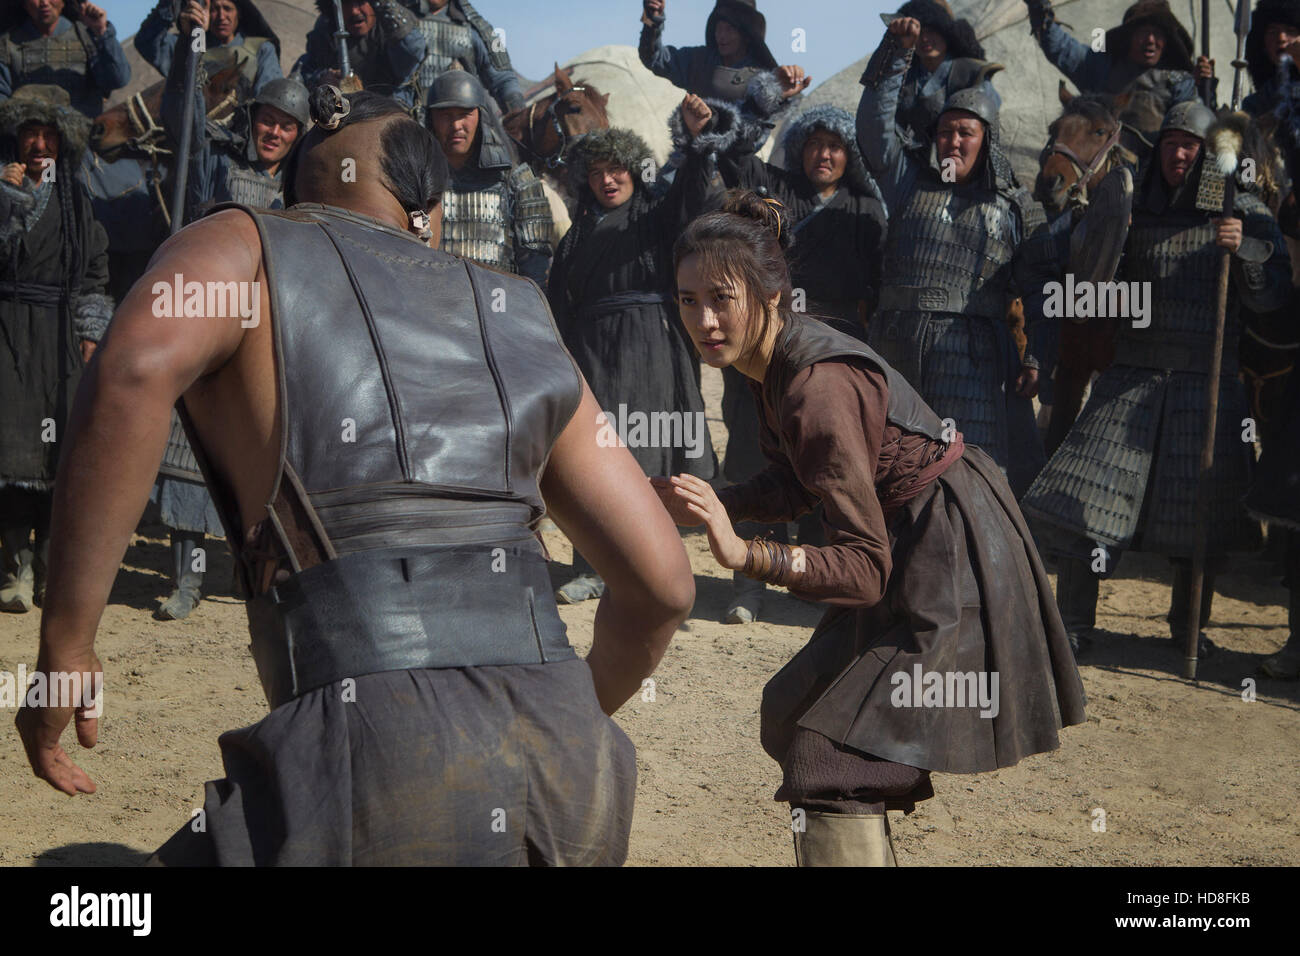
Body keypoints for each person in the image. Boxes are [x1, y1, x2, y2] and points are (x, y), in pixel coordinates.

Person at [14, 86, 694, 865]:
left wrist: (67, 646)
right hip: (576, 780)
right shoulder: (518, 307)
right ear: (427, 203)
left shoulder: (243, 243)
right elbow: (665, 586)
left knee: (78, 892)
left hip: (367, 761)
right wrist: (563, 712)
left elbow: (132, 369)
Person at [653, 190, 1086, 866]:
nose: (703, 319)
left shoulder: (815, 384)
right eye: (687, 300)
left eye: (720, 298)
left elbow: (861, 570)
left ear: (770, 296)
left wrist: (744, 554)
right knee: (792, 709)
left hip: (952, 551)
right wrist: (716, 499)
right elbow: (803, 482)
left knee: (828, 750)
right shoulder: (768, 364)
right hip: (906, 536)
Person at [1021, 102, 1292, 659]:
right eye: (1170, 142)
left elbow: (1275, 302)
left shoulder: (1242, 214)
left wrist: (1244, 253)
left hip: (1206, 380)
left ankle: (1187, 628)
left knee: (1200, 516)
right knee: (1083, 498)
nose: (1179, 153)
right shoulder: (1127, 208)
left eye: (1190, 145)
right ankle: (1073, 621)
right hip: (1131, 375)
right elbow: (1084, 277)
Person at [674, 96, 889, 623]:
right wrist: (721, 504)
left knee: (830, 473)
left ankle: (816, 581)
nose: (823, 154)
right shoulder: (780, 195)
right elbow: (740, 161)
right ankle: (750, 586)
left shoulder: (865, 209)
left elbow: (866, 564)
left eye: (835, 145)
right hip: (765, 343)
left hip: (820, 341)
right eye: (813, 142)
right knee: (753, 455)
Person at [857, 16, 1058, 498]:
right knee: (889, 462)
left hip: (975, 357)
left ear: (986, 139)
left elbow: (1043, 287)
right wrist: (896, 50)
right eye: (945, 132)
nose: (952, 141)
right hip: (897, 344)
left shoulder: (1016, 206)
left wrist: (1036, 355)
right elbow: (872, 127)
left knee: (967, 469)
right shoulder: (907, 183)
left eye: (965, 132)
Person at [547, 107, 717, 605]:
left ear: (634, 170)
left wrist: (691, 141)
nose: (606, 179)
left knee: (648, 454)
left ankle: (654, 565)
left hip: (651, 350)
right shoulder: (578, 232)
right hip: (592, 353)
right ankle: (593, 567)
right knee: (593, 460)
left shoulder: (657, 217)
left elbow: (690, 195)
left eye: (616, 169)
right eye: (596, 172)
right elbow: (560, 298)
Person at [0, 84, 111, 613]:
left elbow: (93, 272)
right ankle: (15, 567)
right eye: (29, 133)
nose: (38, 143)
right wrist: (11, 199)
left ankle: (48, 566)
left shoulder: (76, 196)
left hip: (62, 333)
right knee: (12, 449)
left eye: (47, 134)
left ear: (60, 142)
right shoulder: (3, 188)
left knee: (57, 454)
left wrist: (91, 334)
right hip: (10, 331)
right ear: (16, 139)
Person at [1022, 0, 1204, 155]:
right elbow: (1061, 48)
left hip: (1153, 173)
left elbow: (1191, 126)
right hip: (1100, 168)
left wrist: (1204, 86)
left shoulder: (1179, 81)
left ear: (1167, 42)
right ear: (1129, 37)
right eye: (1143, 32)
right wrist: (1039, 10)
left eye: (1157, 34)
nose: (1150, 40)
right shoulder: (1101, 66)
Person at [425, 71, 551, 286]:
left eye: (464, 114)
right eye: (446, 115)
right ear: (431, 119)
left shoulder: (518, 181)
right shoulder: (414, 179)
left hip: (496, 306)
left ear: (480, 116)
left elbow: (534, 266)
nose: (456, 126)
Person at [883, 0, 1003, 159]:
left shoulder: (971, 72)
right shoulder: (901, 77)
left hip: (963, 162)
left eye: (931, 31)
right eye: (919, 33)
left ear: (945, 33)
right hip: (915, 166)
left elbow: (987, 127)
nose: (925, 39)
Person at [0, 0, 130, 119]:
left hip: (85, 138)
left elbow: (118, 80)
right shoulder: (7, 45)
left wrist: (102, 31)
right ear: (24, 3)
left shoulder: (87, 36)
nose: (44, 2)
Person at [135, 0, 283, 99]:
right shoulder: (186, 46)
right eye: (213, 9)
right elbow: (146, 42)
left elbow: (267, 99)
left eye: (227, 9)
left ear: (239, 13)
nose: (221, 16)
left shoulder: (261, 50)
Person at [295, 0, 425, 107]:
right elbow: (303, 73)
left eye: (361, 1)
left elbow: (413, 51)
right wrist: (322, 79)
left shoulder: (392, 29)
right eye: (346, 3)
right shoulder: (327, 29)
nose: (354, 11)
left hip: (389, 114)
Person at [401, 0, 523, 114]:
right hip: (406, 116)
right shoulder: (397, 23)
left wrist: (517, 114)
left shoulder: (481, 30)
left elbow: (503, 80)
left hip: (462, 116)